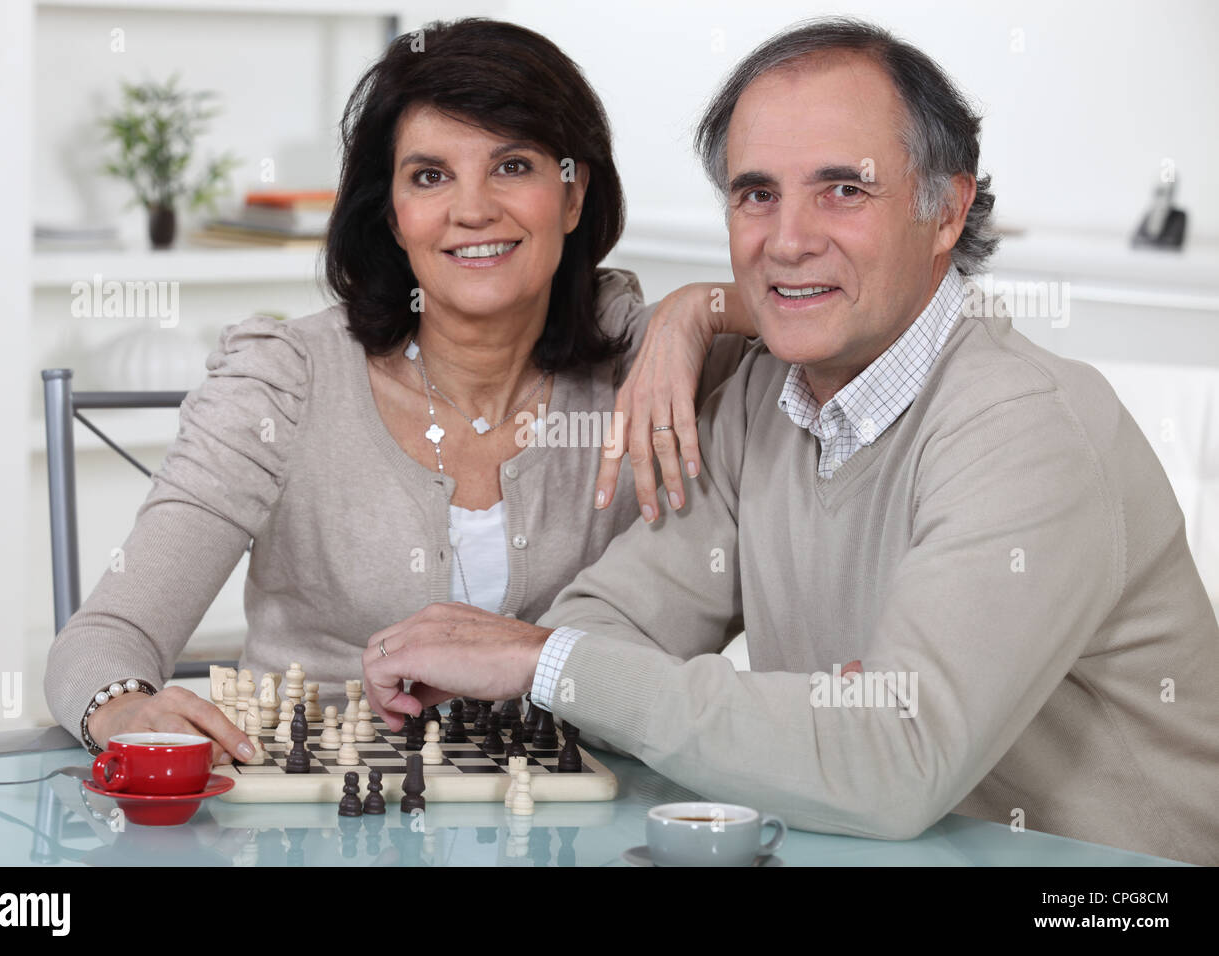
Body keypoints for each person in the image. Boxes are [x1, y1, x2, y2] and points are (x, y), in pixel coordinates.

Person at [361, 18, 1219, 865]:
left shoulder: (1026, 426)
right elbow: (613, 625)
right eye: (757, 193)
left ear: (948, 209)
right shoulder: (764, 397)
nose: (788, 238)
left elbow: (891, 765)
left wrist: (544, 660)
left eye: (845, 189)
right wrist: (789, 716)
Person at [44, 19, 754, 764]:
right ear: (391, 214)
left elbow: (842, 317)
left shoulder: (649, 370)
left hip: (583, 817)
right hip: (324, 819)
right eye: (429, 176)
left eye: (513, 166)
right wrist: (122, 710)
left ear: (573, 197)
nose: (473, 210)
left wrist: (694, 313)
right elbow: (102, 640)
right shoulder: (285, 382)